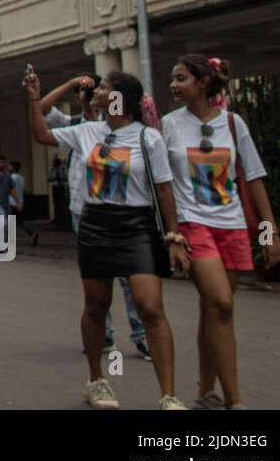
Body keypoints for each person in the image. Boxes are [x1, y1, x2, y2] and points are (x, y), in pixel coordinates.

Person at [26, 68, 188, 410]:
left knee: (150, 306)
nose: (96, 91)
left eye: (103, 88)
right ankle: (97, 380)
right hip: (96, 225)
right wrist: (33, 97)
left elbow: (163, 188)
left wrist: (174, 236)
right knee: (96, 306)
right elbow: (40, 133)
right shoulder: (87, 131)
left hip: (137, 227)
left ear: (119, 99)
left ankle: (169, 395)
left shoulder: (148, 138)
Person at [164, 54, 280, 410]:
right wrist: (171, 236)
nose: (173, 84)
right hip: (192, 224)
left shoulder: (233, 124)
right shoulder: (169, 125)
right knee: (221, 302)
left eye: (181, 78)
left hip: (230, 224)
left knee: (214, 310)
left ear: (202, 82)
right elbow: (163, 184)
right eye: (172, 78)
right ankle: (235, 401)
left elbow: (255, 178)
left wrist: (268, 232)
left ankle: (205, 392)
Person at [39, 74, 148, 359]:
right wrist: (71, 82)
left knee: (128, 278)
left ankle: (141, 335)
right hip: (84, 208)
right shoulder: (76, 125)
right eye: (87, 91)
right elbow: (40, 112)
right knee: (98, 281)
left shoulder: (127, 131)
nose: (88, 93)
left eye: (95, 88)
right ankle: (105, 336)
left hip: (122, 212)